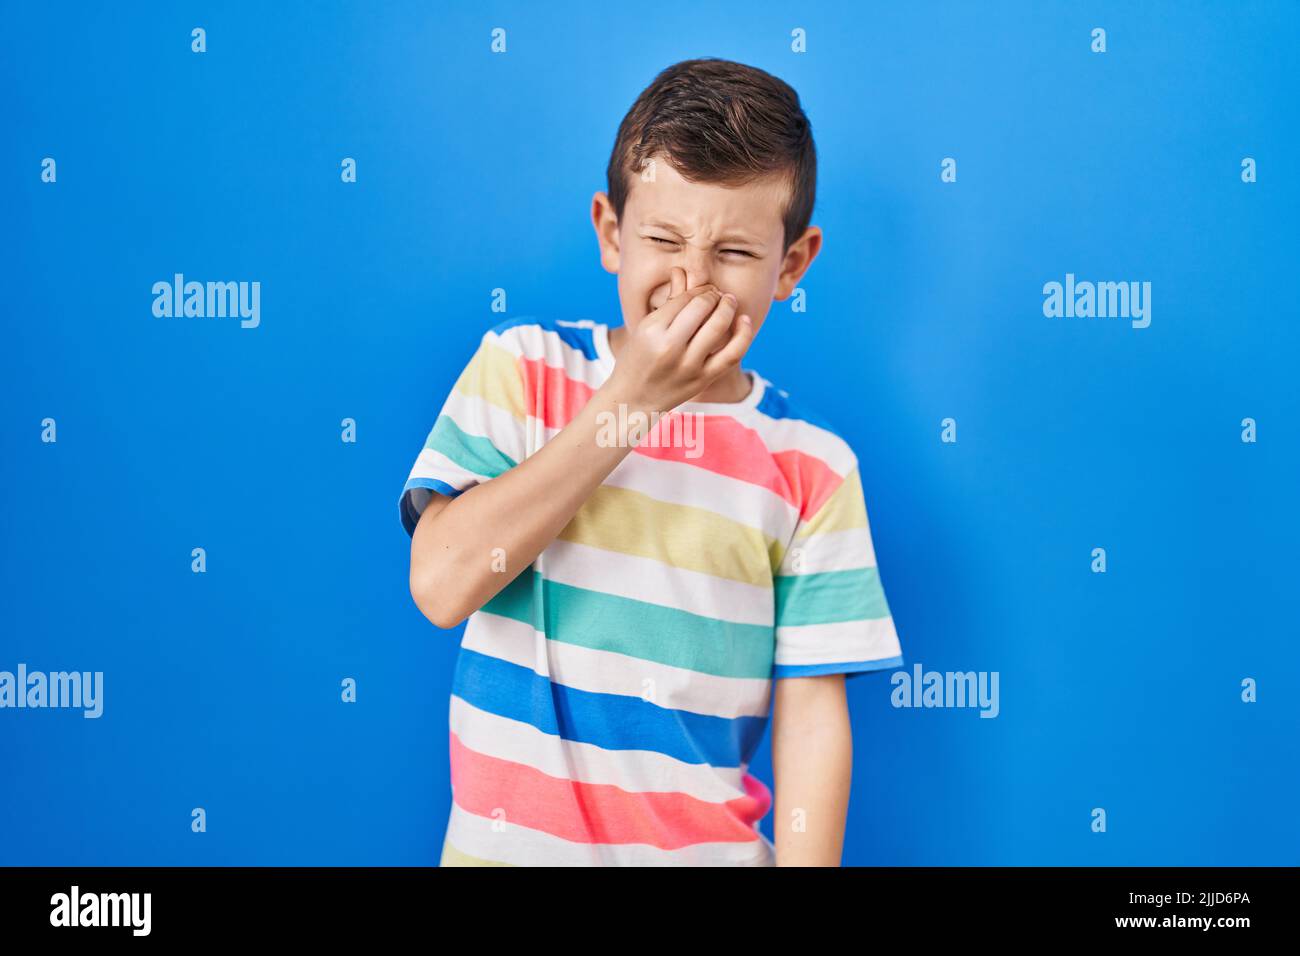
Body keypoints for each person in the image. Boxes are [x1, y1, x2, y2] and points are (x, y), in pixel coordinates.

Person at [399, 57, 904, 866]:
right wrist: (629, 402)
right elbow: (442, 581)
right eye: (663, 239)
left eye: (734, 253)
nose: (691, 282)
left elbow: (811, 717)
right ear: (610, 233)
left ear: (792, 265)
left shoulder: (812, 466)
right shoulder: (522, 370)